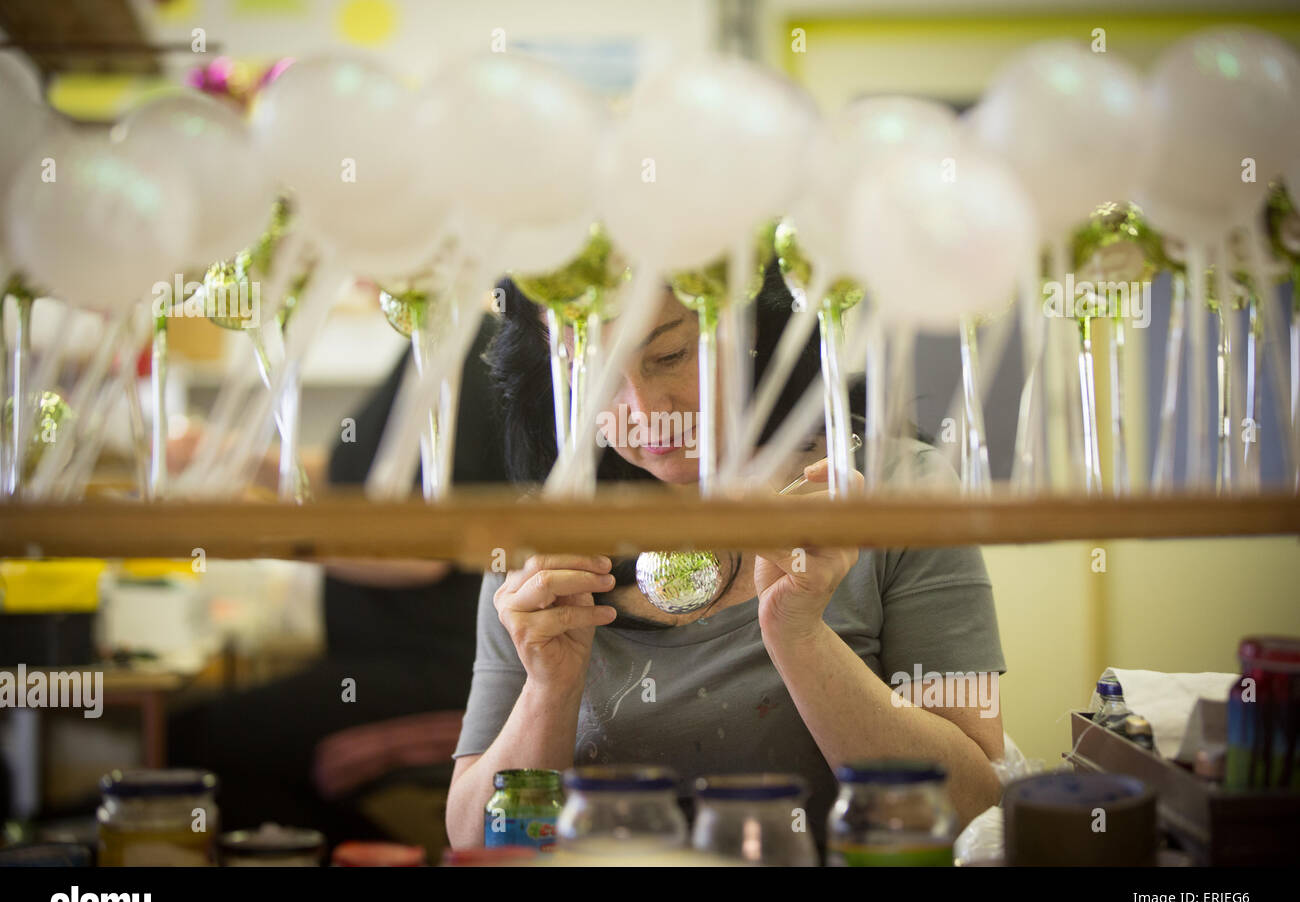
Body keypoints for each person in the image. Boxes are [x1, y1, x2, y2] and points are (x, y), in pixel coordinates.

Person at [446, 263, 1007, 854]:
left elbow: (974, 802)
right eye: (592, 374)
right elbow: (472, 839)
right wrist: (548, 692)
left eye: (670, 356)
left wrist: (801, 640)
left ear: (748, 324)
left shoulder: (899, 489)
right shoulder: (548, 534)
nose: (643, 409)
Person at [168, 308, 509, 841]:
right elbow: (357, 477)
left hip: (429, 668)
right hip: (377, 663)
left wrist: (263, 528)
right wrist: (232, 454)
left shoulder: (467, 348)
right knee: (206, 735)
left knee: (201, 739)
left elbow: (426, 552)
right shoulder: (429, 338)